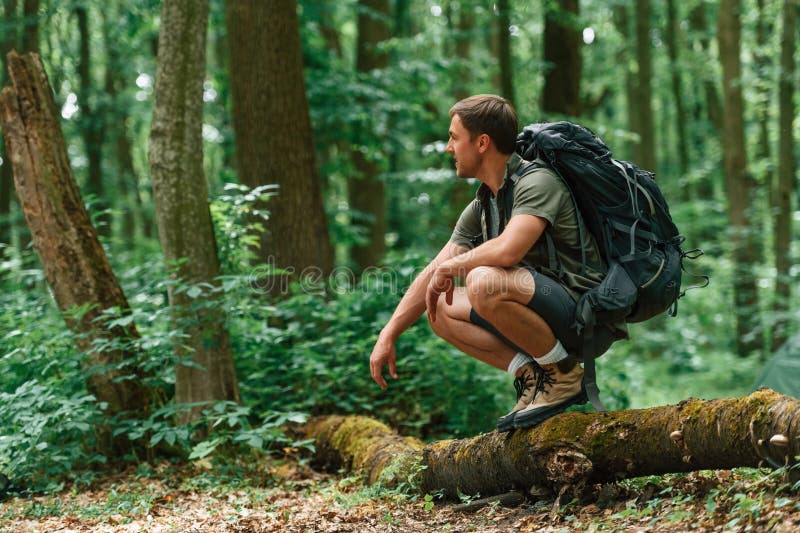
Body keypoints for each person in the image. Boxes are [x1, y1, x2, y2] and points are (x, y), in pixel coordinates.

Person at [368, 94, 615, 431]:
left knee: (484, 280)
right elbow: (434, 269)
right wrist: (389, 333)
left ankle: (565, 376)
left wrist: (453, 268)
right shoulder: (484, 205)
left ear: (482, 142)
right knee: (439, 305)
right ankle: (533, 376)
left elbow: (508, 251)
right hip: (541, 308)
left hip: (582, 314)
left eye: (454, 138)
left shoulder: (537, 182)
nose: (447, 148)